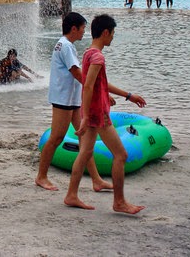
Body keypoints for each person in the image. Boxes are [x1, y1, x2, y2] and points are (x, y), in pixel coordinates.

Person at [64, 14, 147, 214]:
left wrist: (128, 96)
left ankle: (71, 195)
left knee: (85, 153)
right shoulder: (98, 57)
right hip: (97, 114)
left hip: (92, 111)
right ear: (105, 32)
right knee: (121, 155)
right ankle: (119, 202)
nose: (113, 37)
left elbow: (98, 83)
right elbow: (88, 86)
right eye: (113, 33)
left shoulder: (88, 53)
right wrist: (86, 117)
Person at [35, 12, 112, 192]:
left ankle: (96, 180)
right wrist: (100, 91)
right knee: (56, 138)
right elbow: (77, 73)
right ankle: (41, 176)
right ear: (74, 28)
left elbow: (79, 74)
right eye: (83, 28)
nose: (84, 31)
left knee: (85, 140)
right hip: (63, 99)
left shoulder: (67, 45)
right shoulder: (65, 46)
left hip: (72, 99)